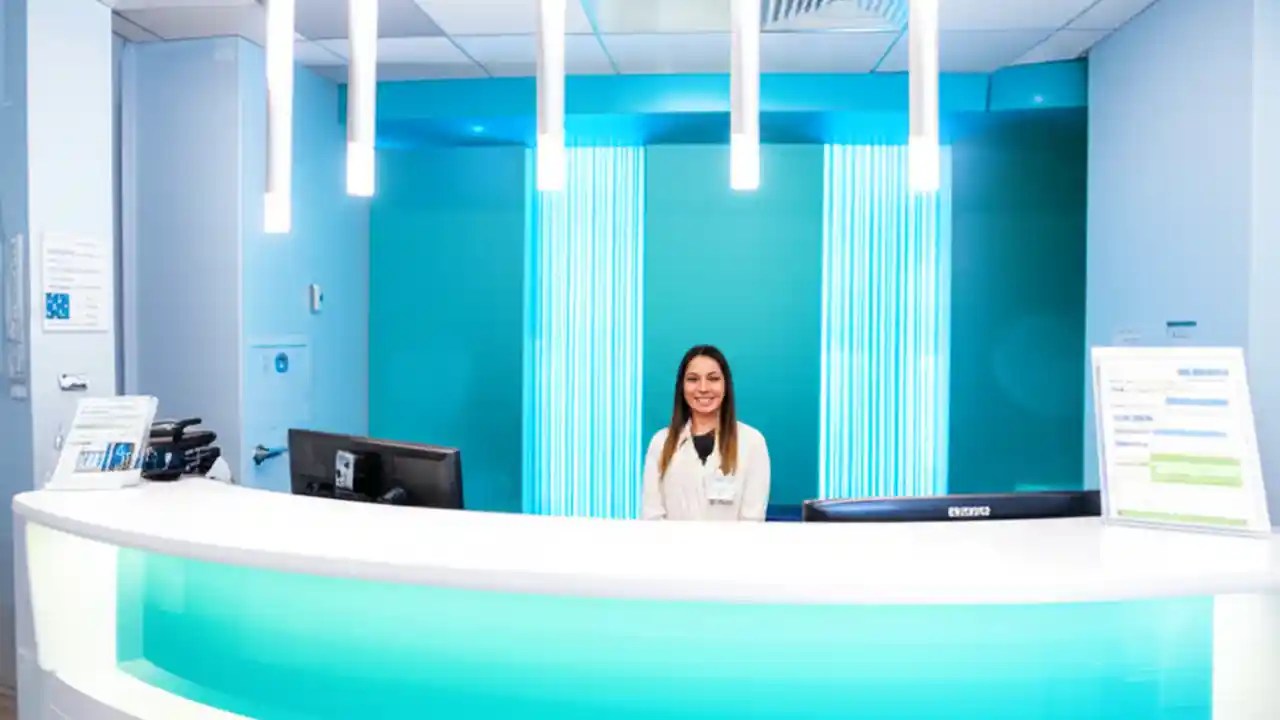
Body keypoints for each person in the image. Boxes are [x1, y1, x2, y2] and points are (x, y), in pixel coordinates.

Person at [641, 345, 771, 521]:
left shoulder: (752, 442)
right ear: (682, 386)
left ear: (726, 384)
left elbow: (752, 520)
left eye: (713, 379)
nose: (703, 388)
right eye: (693, 379)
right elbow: (652, 517)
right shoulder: (661, 442)